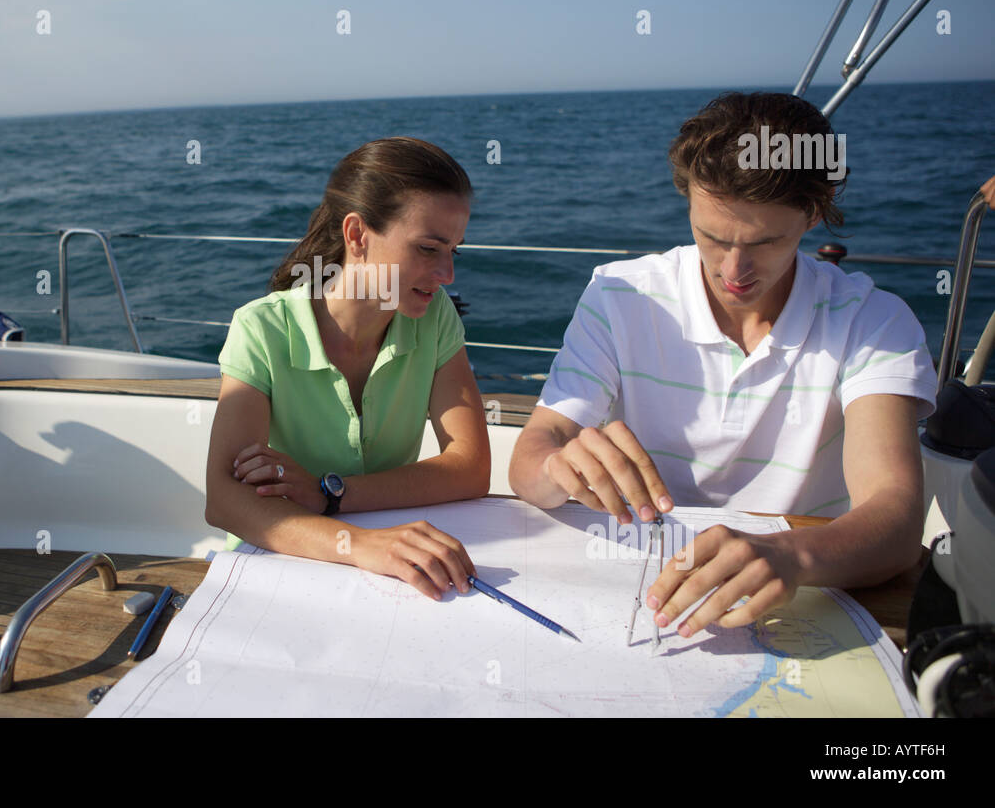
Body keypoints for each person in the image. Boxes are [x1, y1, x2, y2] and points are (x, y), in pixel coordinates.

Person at [509, 91, 937, 639]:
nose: (734, 270)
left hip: (801, 595)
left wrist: (791, 557)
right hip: (635, 585)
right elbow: (530, 456)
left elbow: (896, 518)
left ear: (814, 210)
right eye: (711, 237)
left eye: (765, 242)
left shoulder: (874, 322)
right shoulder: (620, 296)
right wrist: (555, 467)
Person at [205, 137, 491, 601]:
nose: (447, 275)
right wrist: (357, 543)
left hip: (387, 563)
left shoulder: (436, 318)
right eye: (427, 248)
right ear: (357, 235)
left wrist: (331, 495)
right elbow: (223, 501)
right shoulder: (262, 328)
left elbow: (471, 468)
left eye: (453, 251)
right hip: (278, 564)